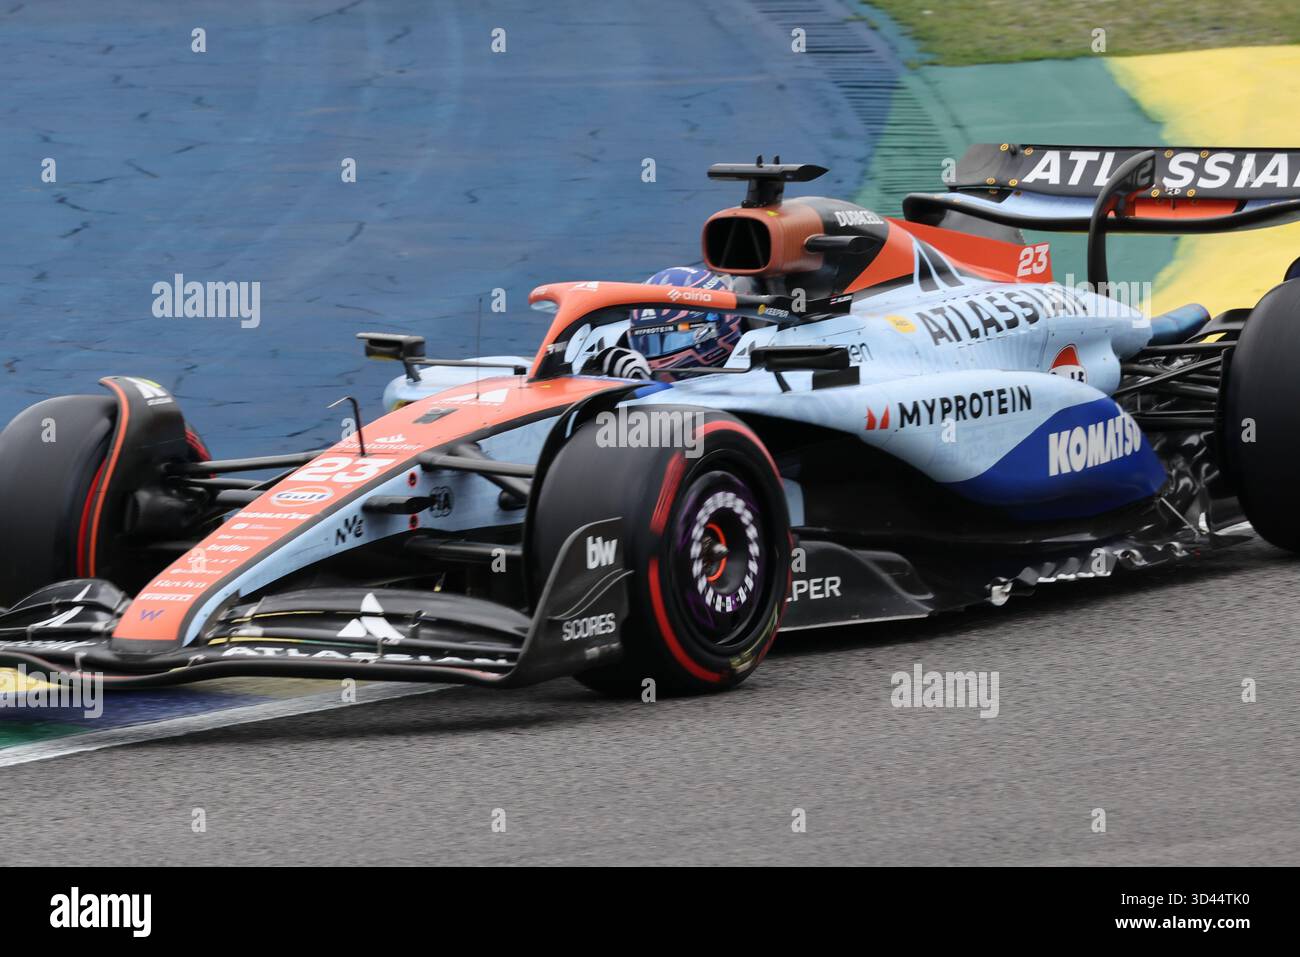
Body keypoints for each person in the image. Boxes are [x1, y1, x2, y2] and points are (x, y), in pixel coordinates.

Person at [579, 266, 745, 379]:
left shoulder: (759, 379)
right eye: (647, 344)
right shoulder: (629, 362)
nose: (653, 361)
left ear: (709, 332)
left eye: (671, 340)